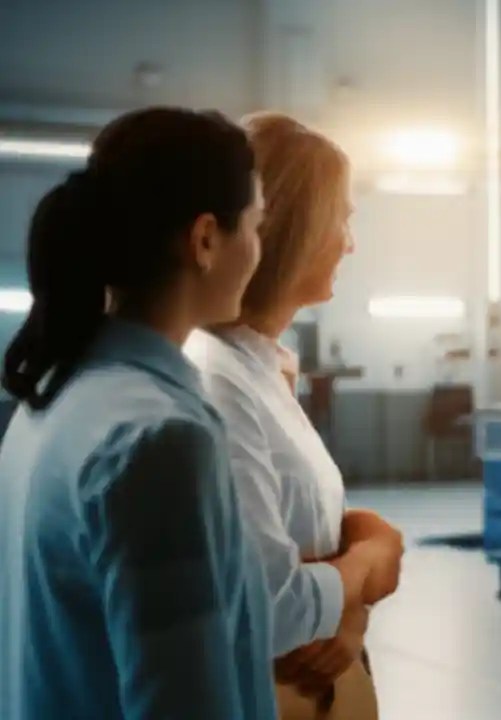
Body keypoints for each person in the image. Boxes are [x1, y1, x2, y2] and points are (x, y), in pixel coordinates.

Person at [0, 107, 275, 718]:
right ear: (205, 239)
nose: (259, 249)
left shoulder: (49, 405)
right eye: (255, 225)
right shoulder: (158, 440)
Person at [184, 111, 403, 720]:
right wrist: (369, 561)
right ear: (291, 227)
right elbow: (270, 605)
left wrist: (362, 568)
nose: (349, 243)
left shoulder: (263, 366)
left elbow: (297, 527)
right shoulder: (214, 378)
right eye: (342, 220)